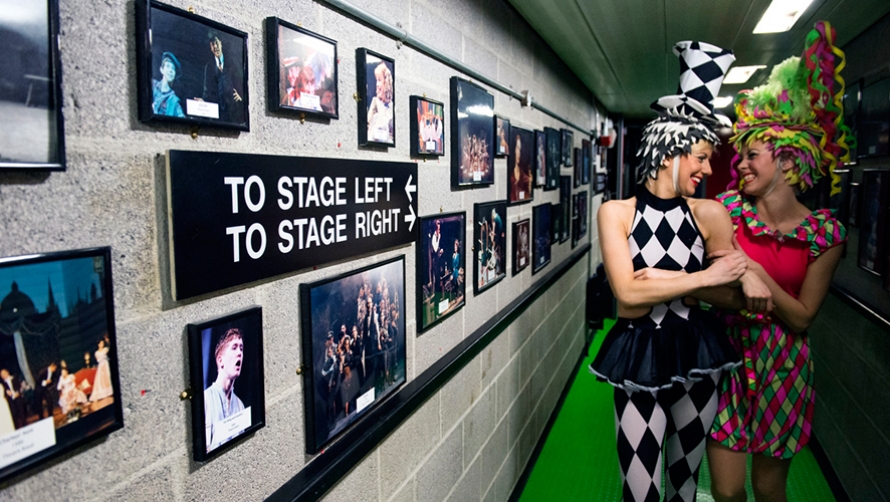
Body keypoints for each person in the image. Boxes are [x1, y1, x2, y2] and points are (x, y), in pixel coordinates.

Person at [588, 41, 763, 502]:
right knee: (640, 491)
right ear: (671, 151)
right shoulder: (616, 213)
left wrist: (666, 283)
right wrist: (701, 280)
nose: (708, 169)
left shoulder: (710, 214)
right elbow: (626, 294)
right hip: (638, 356)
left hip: (697, 355)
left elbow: (736, 293)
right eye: (701, 157)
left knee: (684, 486)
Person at [707, 22, 852, 502]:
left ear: (789, 161)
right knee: (727, 494)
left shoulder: (825, 235)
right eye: (740, 156)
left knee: (770, 488)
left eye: (752, 156)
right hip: (727, 355)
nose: (739, 165)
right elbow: (711, 285)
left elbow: (803, 317)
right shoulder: (726, 212)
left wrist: (755, 271)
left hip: (784, 365)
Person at [204, 328, 246, 453]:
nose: (239, 353)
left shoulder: (240, 405)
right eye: (234, 347)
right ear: (220, 360)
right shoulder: (206, 399)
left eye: (241, 348)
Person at [201, 30, 244, 123]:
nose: (215, 46)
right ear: (210, 47)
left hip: (234, 115)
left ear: (221, 43)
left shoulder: (232, 62)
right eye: (212, 44)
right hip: (218, 116)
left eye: (216, 42)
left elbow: (243, 82)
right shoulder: (209, 67)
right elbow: (207, 92)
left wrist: (241, 97)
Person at [152, 51, 185, 117]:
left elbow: (183, 120)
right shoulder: (151, 85)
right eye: (168, 66)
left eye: (173, 68)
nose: (170, 70)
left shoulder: (174, 102)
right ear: (161, 69)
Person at [367, 62, 393, 143]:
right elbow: (368, 124)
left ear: (386, 81)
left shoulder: (392, 105)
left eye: (379, 80)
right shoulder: (375, 102)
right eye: (376, 80)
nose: (377, 85)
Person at [510, 134, 532, 202]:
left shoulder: (525, 178)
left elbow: (528, 197)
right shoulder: (510, 176)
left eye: (520, 149)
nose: (519, 153)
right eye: (517, 148)